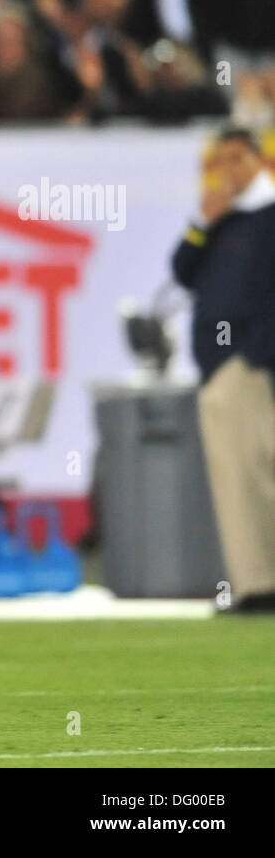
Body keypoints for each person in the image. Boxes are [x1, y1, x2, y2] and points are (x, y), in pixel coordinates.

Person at [171, 125, 275, 613]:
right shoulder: (223, 221)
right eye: (222, 160)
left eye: (238, 158)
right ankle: (254, 581)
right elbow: (182, 271)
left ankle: (261, 581)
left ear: (258, 159)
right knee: (237, 474)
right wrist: (201, 222)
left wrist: (255, 351)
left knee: (256, 471)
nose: (230, 170)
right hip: (218, 362)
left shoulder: (270, 217)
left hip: (252, 360)